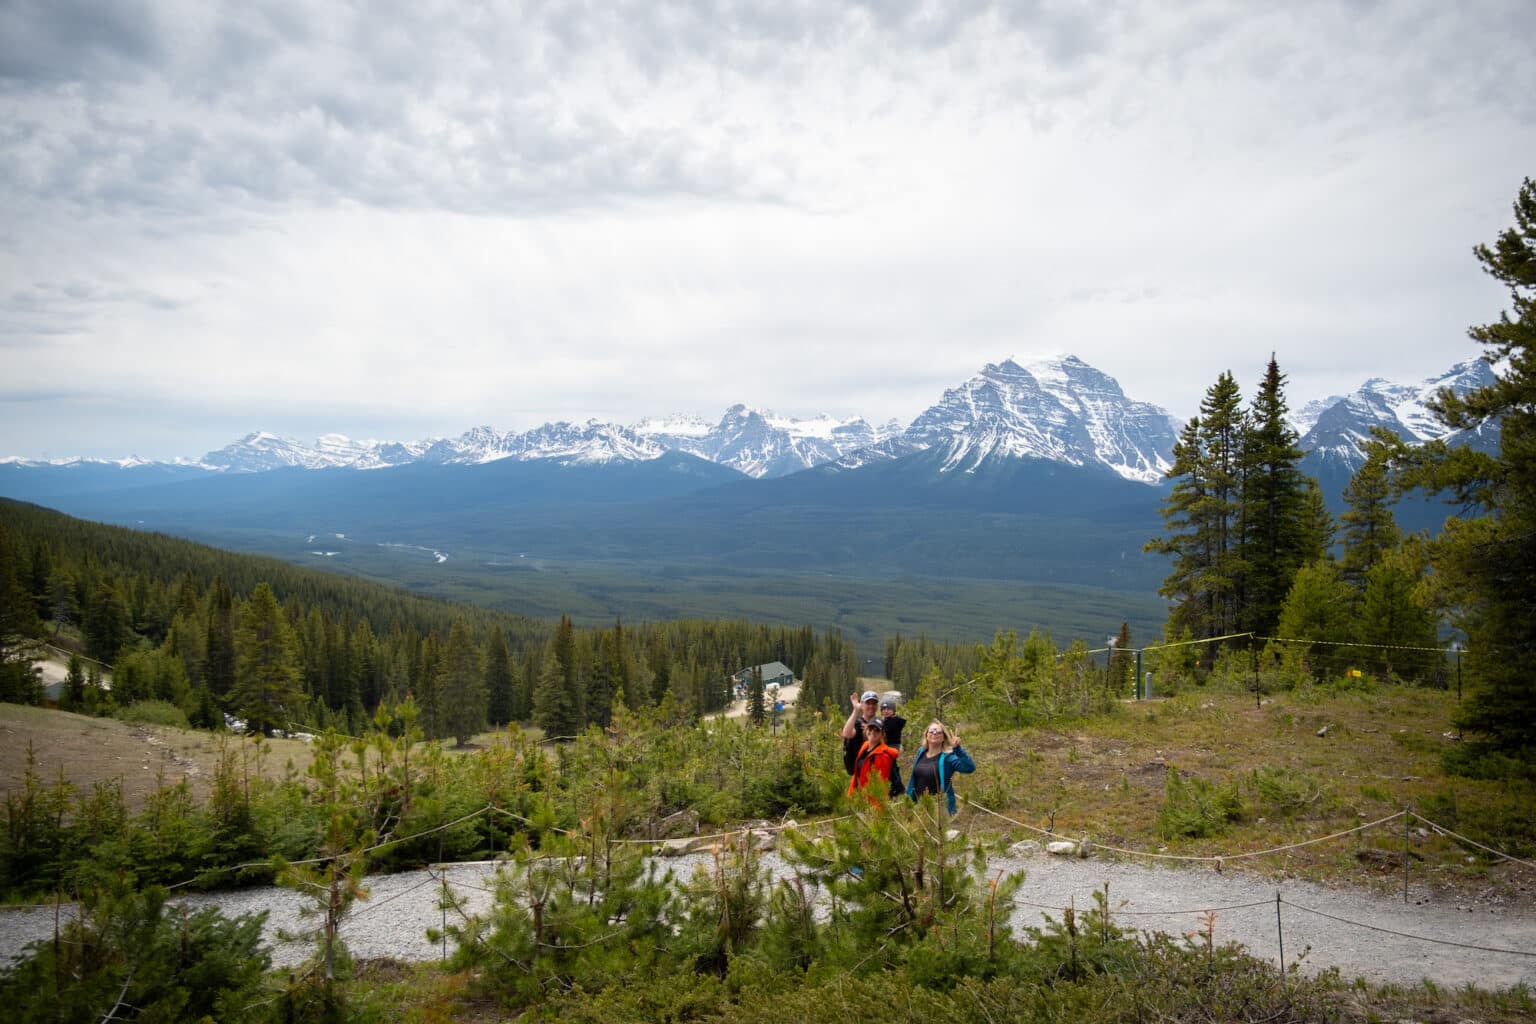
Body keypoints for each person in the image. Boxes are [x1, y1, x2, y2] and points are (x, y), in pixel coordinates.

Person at [905, 720, 975, 814]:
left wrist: (958, 749)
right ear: (926, 735)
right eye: (932, 731)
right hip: (918, 806)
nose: (935, 733)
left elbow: (969, 768)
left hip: (938, 808)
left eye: (939, 732)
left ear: (943, 737)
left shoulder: (949, 757)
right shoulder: (921, 752)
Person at [846, 717, 901, 801]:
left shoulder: (883, 755)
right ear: (866, 730)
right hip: (860, 797)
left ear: (882, 734)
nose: (872, 732)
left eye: (877, 730)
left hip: (871, 804)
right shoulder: (865, 746)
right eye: (870, 728)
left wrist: (874, 810)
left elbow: (881, 786)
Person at [841, 690, 882, 775]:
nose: (871, 706)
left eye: (874, 703)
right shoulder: (857, 723)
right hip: (858, 772)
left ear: (877, 706)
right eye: (868, 703)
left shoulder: (880, 724)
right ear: (862, 704)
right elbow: (846, 734)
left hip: (876, 771)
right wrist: (856, 709)